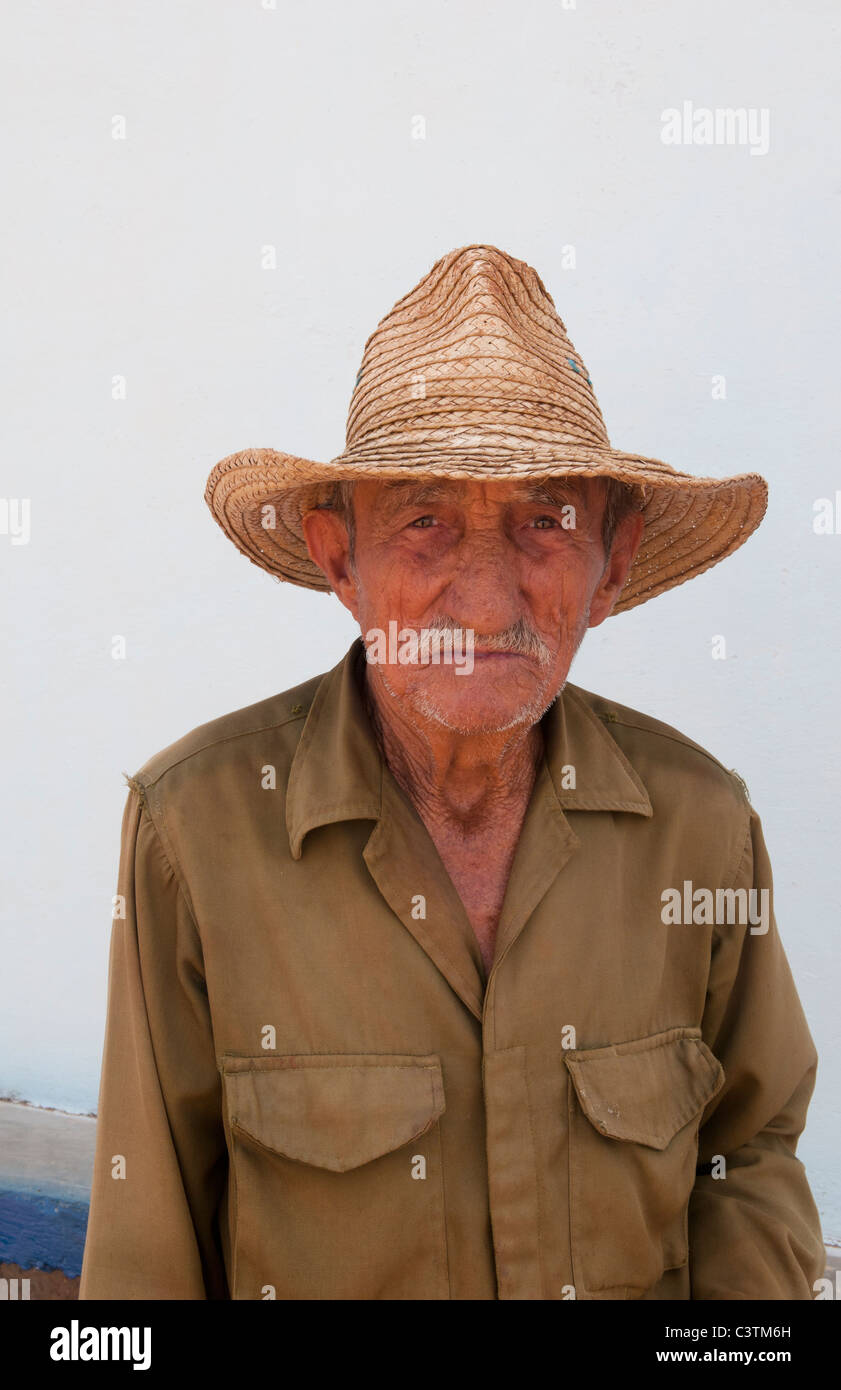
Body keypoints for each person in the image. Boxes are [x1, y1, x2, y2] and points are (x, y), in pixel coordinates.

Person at [79, 244, 824, 1300]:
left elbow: (749, 1147)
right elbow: (143, 1256)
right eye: (424, 520)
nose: (483, 600)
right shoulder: (196, 828)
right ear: (340, 559)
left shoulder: (700, 828)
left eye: (544, 521)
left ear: (611, 565)